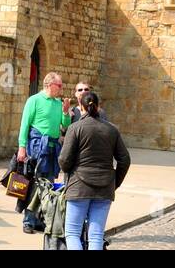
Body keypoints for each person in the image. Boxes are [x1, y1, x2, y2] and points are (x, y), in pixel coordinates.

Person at [57, 90, 130, 251]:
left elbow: (63, 160)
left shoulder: (75, 128)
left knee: (72, 233)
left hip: (79, 186)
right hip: (104, 188)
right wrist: (114, 182)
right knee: (96, 235)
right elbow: (124, 160)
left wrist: (68, 170)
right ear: (98, 107)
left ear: (81, 108)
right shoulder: (111, 130)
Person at [16, 70, 69, 233]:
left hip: (52, 147)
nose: (61, 88)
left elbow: (64, 126)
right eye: (58, 85)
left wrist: (66, 113)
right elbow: (25, 125)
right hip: (37, 145)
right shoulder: (34, 100)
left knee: (49, 184)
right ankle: (28, 221)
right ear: (49, 85)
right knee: (35, 183)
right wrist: (22, 147)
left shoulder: (58, 103)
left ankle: (39, 219)